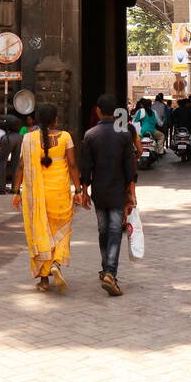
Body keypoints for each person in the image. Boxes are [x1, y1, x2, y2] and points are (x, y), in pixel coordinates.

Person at [13, 102, 81, 292]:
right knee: (61, 231)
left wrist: (16, 192)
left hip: (37, 196)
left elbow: (20, 166)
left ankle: (43, 280)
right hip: (59, 194)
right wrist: (79, 191)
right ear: (55, 119)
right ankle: (56, 262)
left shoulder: (28, 139)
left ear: (34, 120)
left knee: (40, 232)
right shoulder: (65, 136)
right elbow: (73, 165)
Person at [79, 94, 137, 297]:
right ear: (116, 112)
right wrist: (132, 195)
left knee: (103, 231)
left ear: (98, 110)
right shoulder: (124, 135)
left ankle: (106, 269)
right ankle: (110, 272)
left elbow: (85, 168)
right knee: (114, 232)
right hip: (118, 191)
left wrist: (83, 191)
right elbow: (130, 169)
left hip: (99, 191)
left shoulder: (90, 135)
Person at [0, 113, 24, 196]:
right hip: (18, 138)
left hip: (8, 139)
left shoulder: (0, 119)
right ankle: (15, 189)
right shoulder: (17, 123)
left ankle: (1, 189)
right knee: (16, 163)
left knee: (0, 162)